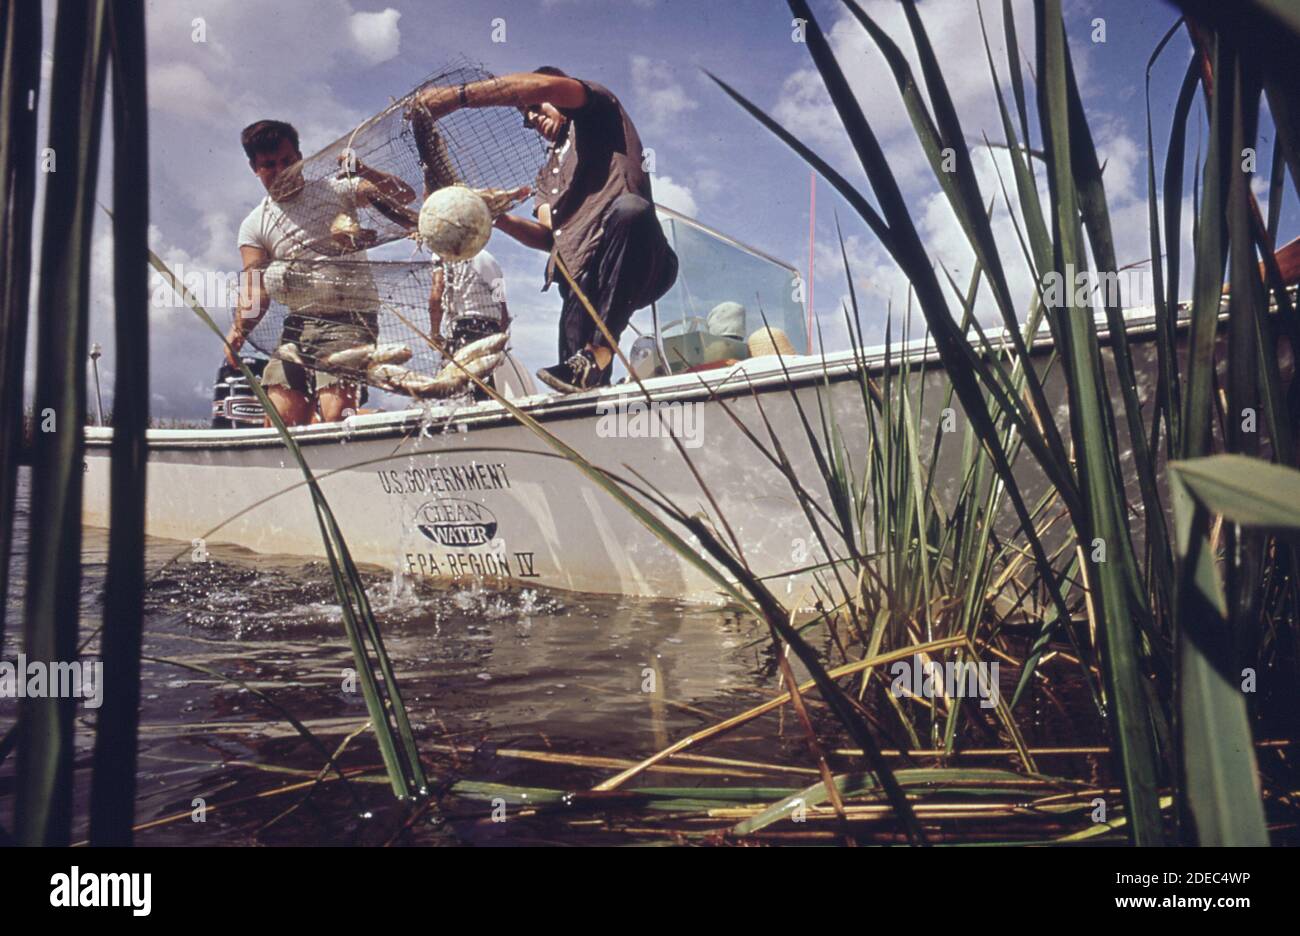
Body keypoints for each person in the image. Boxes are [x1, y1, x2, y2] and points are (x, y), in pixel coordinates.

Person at [415, 67, 678, 393]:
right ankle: (588, 378)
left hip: (637, 256)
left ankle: (599, 352)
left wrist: (457, 98)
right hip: (583, 283)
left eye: (536, 107)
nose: (533, 119)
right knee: (576, 389)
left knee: (630, 211)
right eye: (526, 118)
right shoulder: (547, 177)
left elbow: (544, 86)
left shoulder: (598, 114)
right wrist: (493, 216)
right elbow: (547, 235)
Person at [226, 119, 417, 425]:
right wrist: (237, 333)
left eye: (288, 161)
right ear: (254, 168)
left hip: (350, 319)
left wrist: (364, 171)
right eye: (269, 165)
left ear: (300, 157)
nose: (281, 171)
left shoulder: (338, 191)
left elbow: (404, 196)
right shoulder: (254, 224)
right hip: (298, 324)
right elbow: (256, 288)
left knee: (337, 417)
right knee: (280, 423)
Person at [429, 249, 510, 399]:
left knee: (457, 385)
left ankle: (473, 420)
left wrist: (434, 333)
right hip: (491, 330)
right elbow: (502, 305)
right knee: (481, 383)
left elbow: (436, 295)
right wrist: (501, 337)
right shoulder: (490, 260)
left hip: (465, 328)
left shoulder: (442, 253)